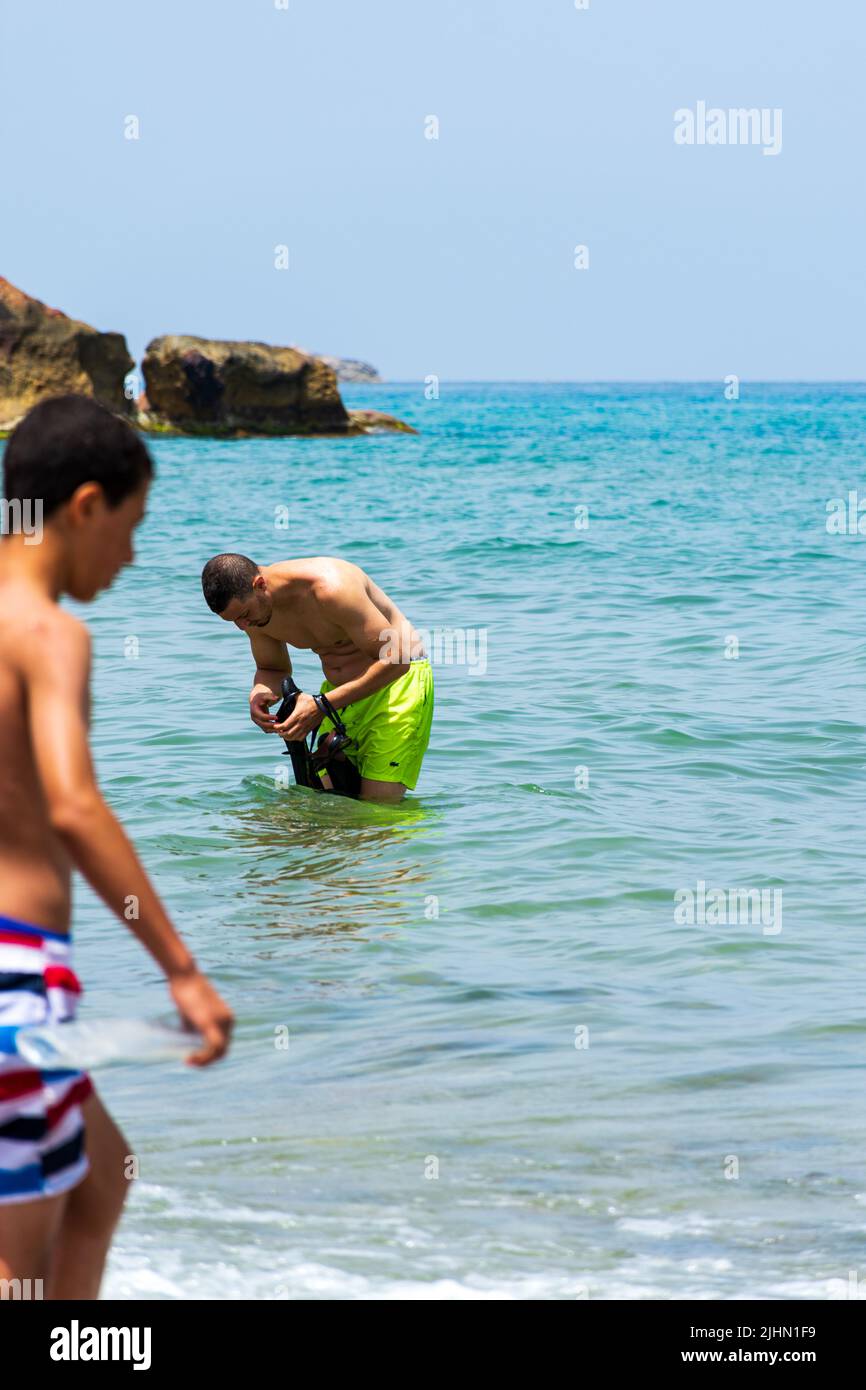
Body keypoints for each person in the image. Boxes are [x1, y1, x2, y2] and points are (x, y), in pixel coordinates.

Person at [0, 395, 233, 1299]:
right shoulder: (51, 634)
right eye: (131, 529)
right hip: (18, 973)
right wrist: (180, 968)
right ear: (86, 504)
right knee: (15, 1260)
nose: (132, 558)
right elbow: (75, 807)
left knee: (99, 1181)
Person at [201, 554, 434, 802]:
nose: (242, 626)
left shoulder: (330, 588)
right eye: (234, 621)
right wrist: (259, 693)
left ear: (260, 585)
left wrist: (322, 705)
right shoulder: (257, 616)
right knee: (330, 802)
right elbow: (272, 669)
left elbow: (398, 661)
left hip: (397, 686)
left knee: (378, 810)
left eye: (244, 615)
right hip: (338, 697)